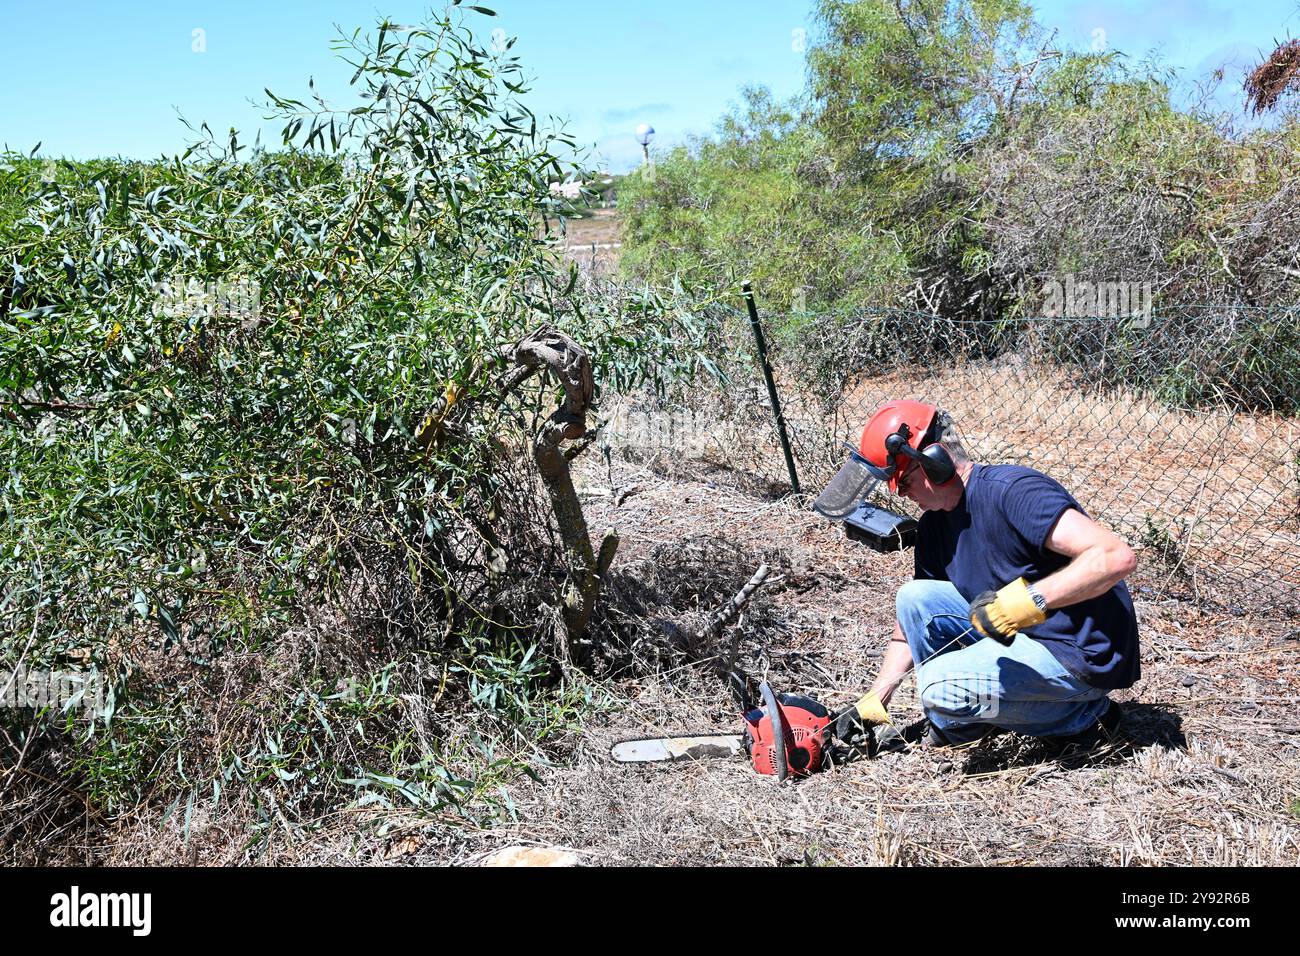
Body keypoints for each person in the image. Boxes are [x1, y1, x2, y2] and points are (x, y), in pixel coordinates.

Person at [828, 400, 1139, 751]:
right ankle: (960, 725)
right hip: (1021, 640)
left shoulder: (1013, 491)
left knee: (938, 690)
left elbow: (1115, 556)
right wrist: (875, 700)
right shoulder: (934, 526)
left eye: (905, 479)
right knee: (913, 598)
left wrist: (1029, 601)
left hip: (1078, 654)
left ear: (936, 461)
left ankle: (1084, 717)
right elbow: (911, 625)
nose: (900, 493)